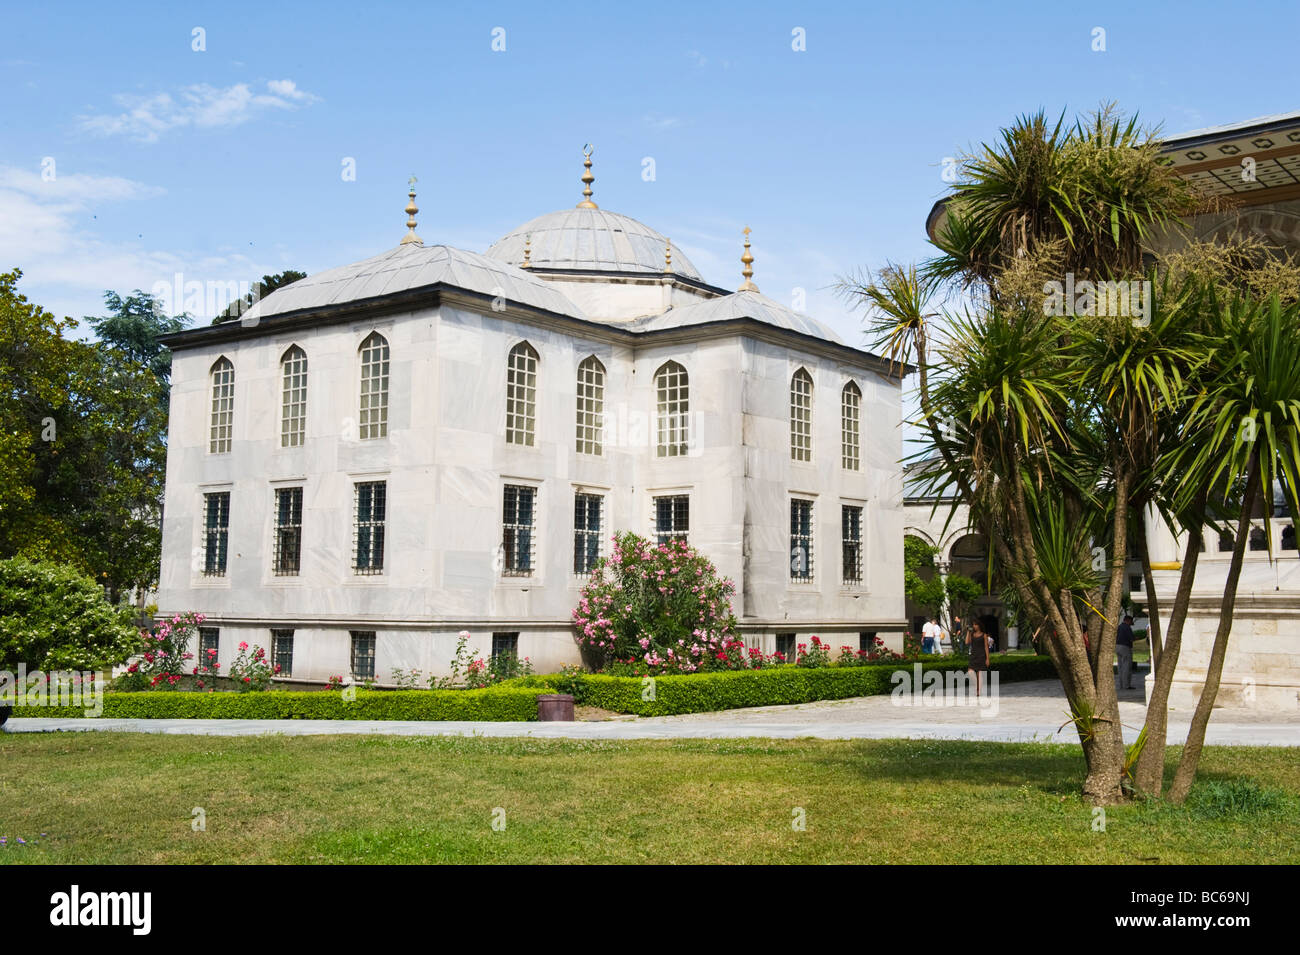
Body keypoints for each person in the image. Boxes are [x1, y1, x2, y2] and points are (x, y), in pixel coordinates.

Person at [968, 618, 992, 696]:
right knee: (970, 672)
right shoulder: (972, 634)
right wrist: (968, 632)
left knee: (979, 674)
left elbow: (986, 647)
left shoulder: (984, 635)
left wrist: (987, 659)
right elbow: (967, 642)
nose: (974, 626)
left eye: (976, 624)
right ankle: (977, 686)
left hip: (981, 656)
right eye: (973, 624)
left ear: (979, 625)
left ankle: (979, 691)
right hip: (973, 656)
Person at [1116, 614, 1135, 690]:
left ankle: (1121, 684)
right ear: (1128, 620)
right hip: (1125, 647)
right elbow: (1131, 638)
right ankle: (1126, 685)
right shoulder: (1127, 627)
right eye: (1131, 621)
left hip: (1117, 646)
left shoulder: (1119, 627)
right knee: (1126, 666)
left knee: (1120, 666)